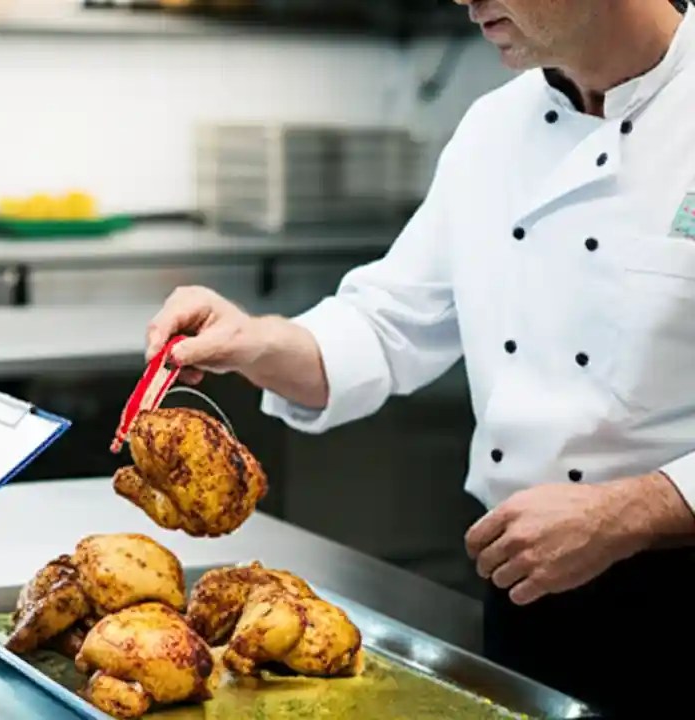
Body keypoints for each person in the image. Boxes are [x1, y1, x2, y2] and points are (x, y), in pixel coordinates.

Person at [146, 0, 695, 715]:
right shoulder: (493, 129)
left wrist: (635, 510)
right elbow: (388, 324)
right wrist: (257, 342)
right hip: (526, 593)